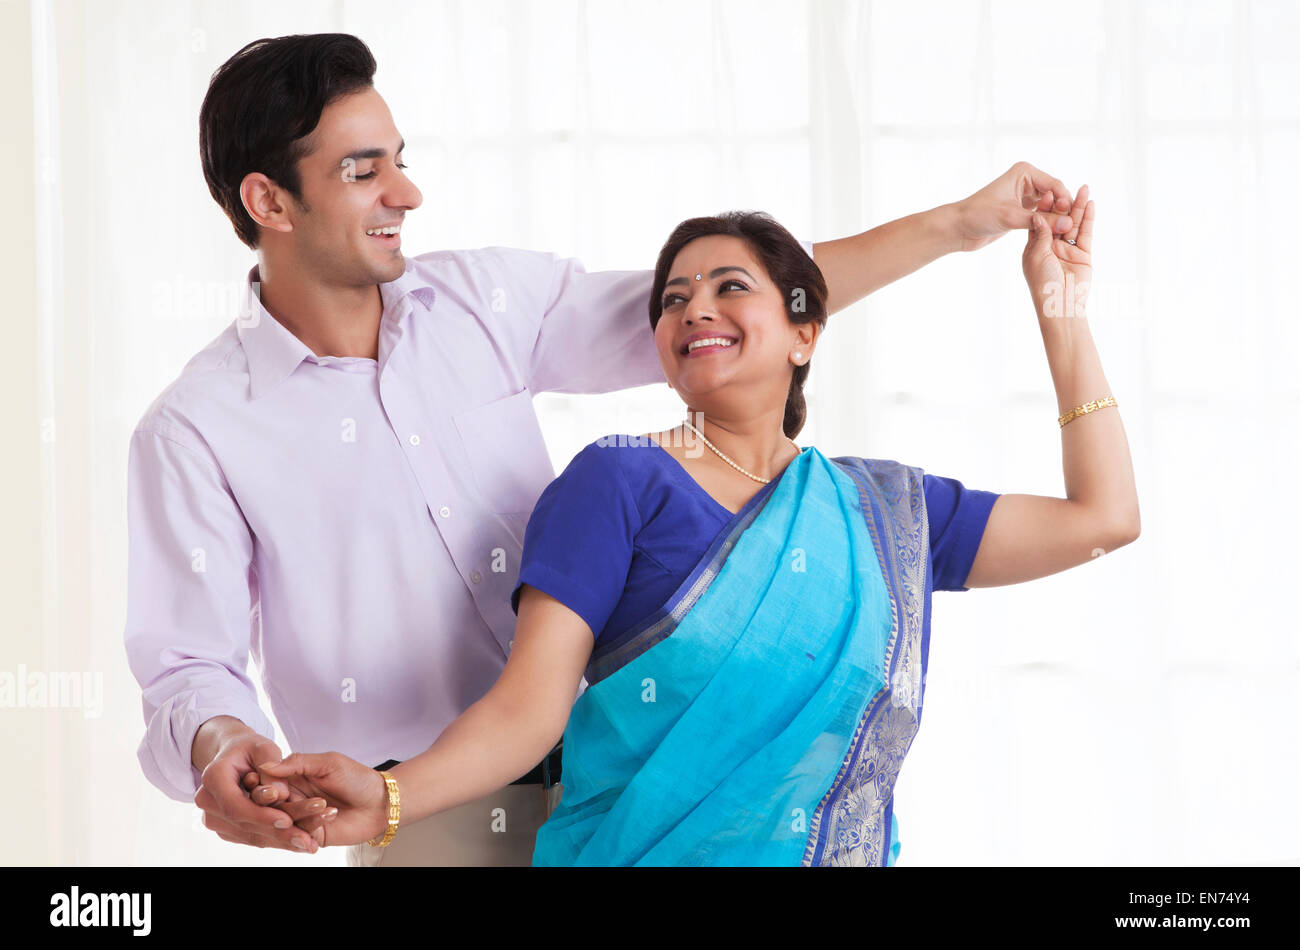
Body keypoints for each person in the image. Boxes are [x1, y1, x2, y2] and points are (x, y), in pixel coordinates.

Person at [126, 32, 1083, 866]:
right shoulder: (198, 428)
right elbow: (185, 664)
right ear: (269, 200)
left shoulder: (482, 303)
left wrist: (960, 227)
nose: (406, 192)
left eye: (400, 159)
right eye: (363, 170)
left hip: (618, 769)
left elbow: (740, 302)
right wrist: (221, 744)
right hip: (424, 806)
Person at [255, 193, 1139, 865]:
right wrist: (391, 799)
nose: (694, 310)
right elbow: (528, 712)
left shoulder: (884, 514)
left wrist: (1062, 313)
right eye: (674, 300)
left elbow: (1104, 519)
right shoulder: (617, 482)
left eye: (730, 288)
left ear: (805, 331)